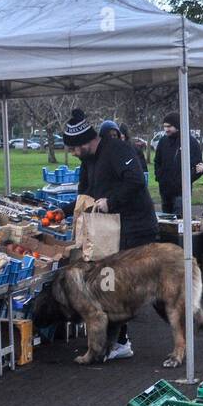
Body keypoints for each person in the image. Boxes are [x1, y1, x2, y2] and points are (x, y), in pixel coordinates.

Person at [65, 107, 158, 360]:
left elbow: (136, 180)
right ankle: (115, 340)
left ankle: (121, 341)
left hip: (135, 228)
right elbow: (85, 190)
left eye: (73, 148)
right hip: (109, 230)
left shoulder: (118, 150)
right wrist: (73, 209)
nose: (72, 153)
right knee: (110, 284)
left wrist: (110, 201)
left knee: (126, 286)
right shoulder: (88, 161)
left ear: (84, 142)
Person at [153, 112, 203, 214]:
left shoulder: (190, 142)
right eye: (165, 127)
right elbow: (157, 161)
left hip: (181, 192)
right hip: (165, 191)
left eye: (169, 126)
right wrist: (159, 177)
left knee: (180, 221)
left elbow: (199, 166)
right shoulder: (163, 142)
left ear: (177, 126)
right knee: (166, 221)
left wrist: (187, 180)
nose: (166, 129)